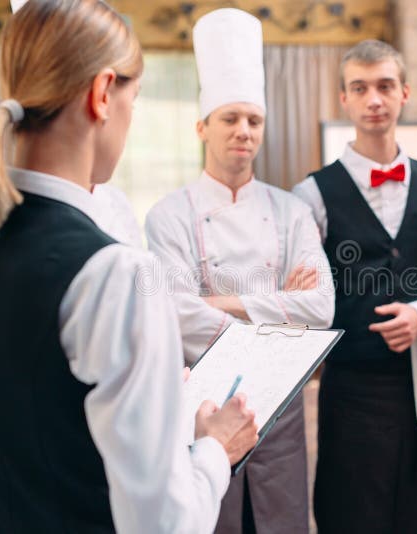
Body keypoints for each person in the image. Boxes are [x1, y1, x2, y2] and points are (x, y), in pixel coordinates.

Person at [0, 1, 258, 532]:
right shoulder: (116, 274)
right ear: (103, 94)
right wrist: (214, 447)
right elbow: (165, 526)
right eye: (134, 99)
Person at [145, 9, 334, 534]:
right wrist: (282, 313)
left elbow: (321, 307)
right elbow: (177, 315)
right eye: (230, 118)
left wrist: (218, 301)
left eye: (254, 120)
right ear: (202, 126)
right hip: (203, 412)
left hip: (282, 416)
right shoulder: (168, 215)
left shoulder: (292, 210)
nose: (244, 132)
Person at [292, 39, 417, 533]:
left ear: (404, 93)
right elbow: (303, 289)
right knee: (352, 510)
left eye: (385, 86)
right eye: (360, 88)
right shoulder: (311, 193)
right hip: (350, 384)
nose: (374, 99)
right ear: (344, 99)